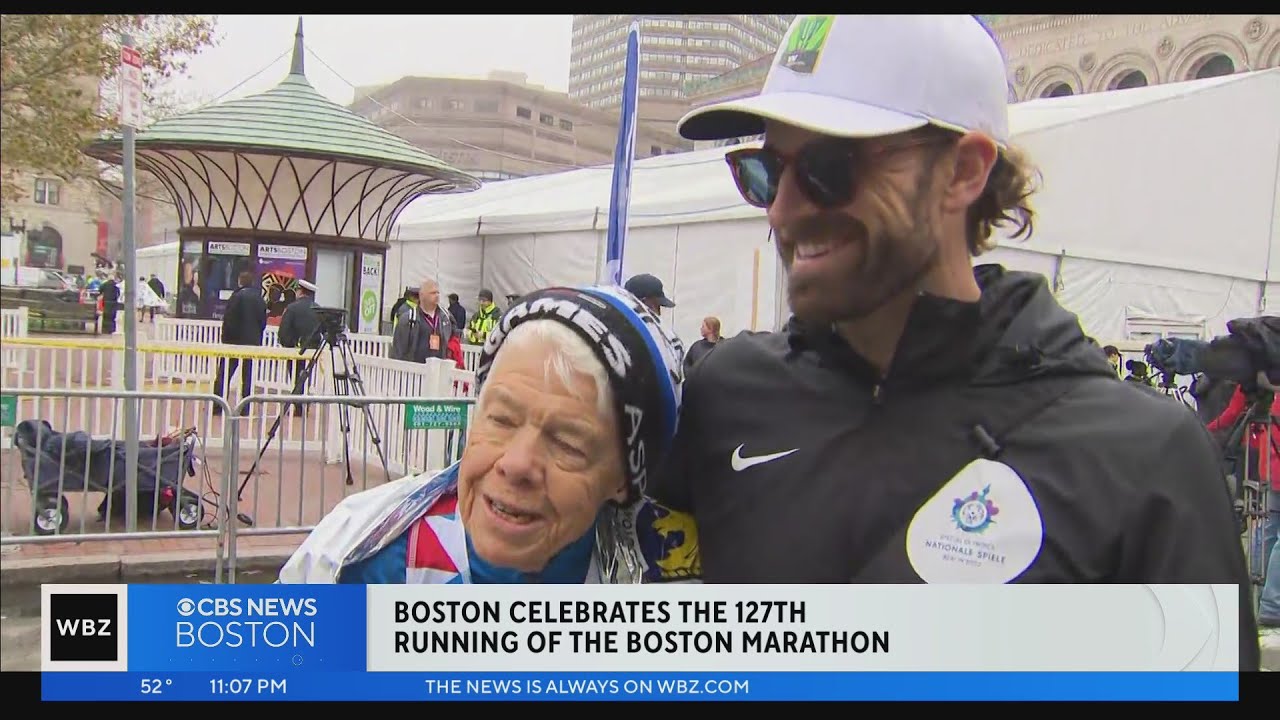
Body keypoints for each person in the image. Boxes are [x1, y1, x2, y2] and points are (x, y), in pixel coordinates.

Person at [655, 15, 1259, 669]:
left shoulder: (1146, 460)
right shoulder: (730, 394)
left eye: (828, 168)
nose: (782, 209)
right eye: (765, 171)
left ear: (964, 172)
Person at [278, 284, 696, 584]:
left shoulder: (683, 576)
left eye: (567, 444)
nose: (515, 464)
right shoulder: (352, 560)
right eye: (500, 419)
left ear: (624, 480)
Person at [1206, 382, 1280, 628]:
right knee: (1271, 531)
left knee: (1266, 528)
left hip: (1268, 462)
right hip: (1268, 459)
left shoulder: (1259, 378)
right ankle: (1271, 605)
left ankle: (1255, 599)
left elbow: (1232, 412)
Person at [213, 270, 268, 411]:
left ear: (240, 281)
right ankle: (245, 407)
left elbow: (229, 320)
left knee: (224, 375)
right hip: (251, 343)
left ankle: (218, 405)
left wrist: (225, 339)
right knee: (247, 376)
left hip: (234, 342)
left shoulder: (236, 297)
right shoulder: (259, 298)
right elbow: (262, 322)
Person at [391, 278, 454, 362]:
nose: (436, 295)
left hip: (439, 369)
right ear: (422, 295)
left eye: (437, 292)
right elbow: (399, 349)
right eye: (432, 293)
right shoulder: (408, 318)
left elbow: (454, 338)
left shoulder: (446, 316)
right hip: (415, 369)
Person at [277, 278, 322, 393]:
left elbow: (283, 332)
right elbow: (323, 330)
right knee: (307, 380)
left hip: (295, 351)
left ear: (300, 291)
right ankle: (303, 406)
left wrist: (287, 345)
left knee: (296, 381)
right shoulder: (318, 309)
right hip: (312, 352)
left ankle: (298, 407)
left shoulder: (292, 308)